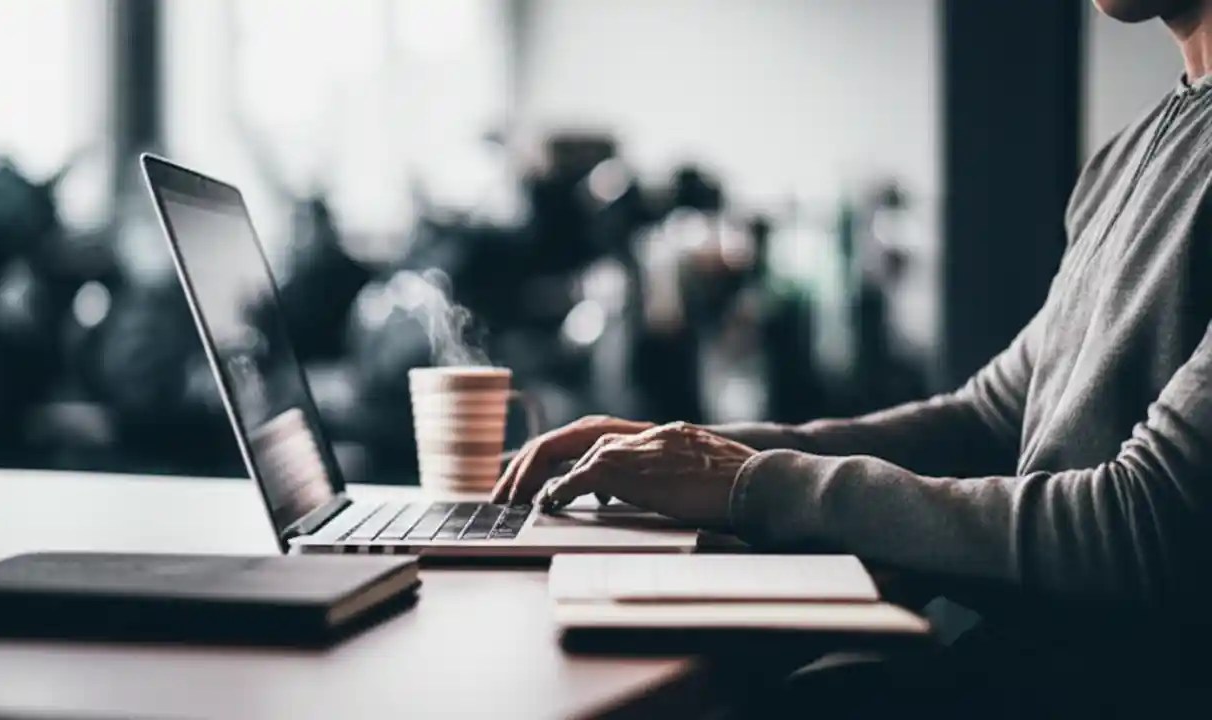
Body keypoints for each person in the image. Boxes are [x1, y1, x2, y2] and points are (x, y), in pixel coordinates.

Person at [493, 0, 1212, 712]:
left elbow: (1141, 527)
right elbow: (988, 421)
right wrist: (686, 454)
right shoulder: (1127, 157)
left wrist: (755, 483)